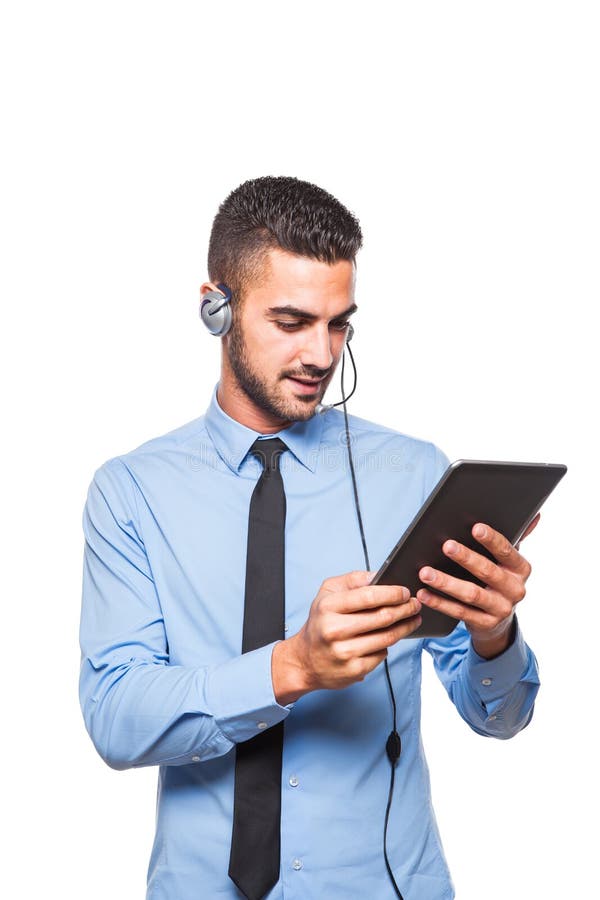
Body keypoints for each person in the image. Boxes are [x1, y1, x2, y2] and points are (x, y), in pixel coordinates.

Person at [79, 175, 541, 900]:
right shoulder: (132, 491)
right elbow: (116, 718)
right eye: (291, 322)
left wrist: (493, 636)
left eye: (338, 324)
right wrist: (291, 666)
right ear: (215, 308)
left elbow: (502, 717)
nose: (322, 355)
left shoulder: (413, 474)